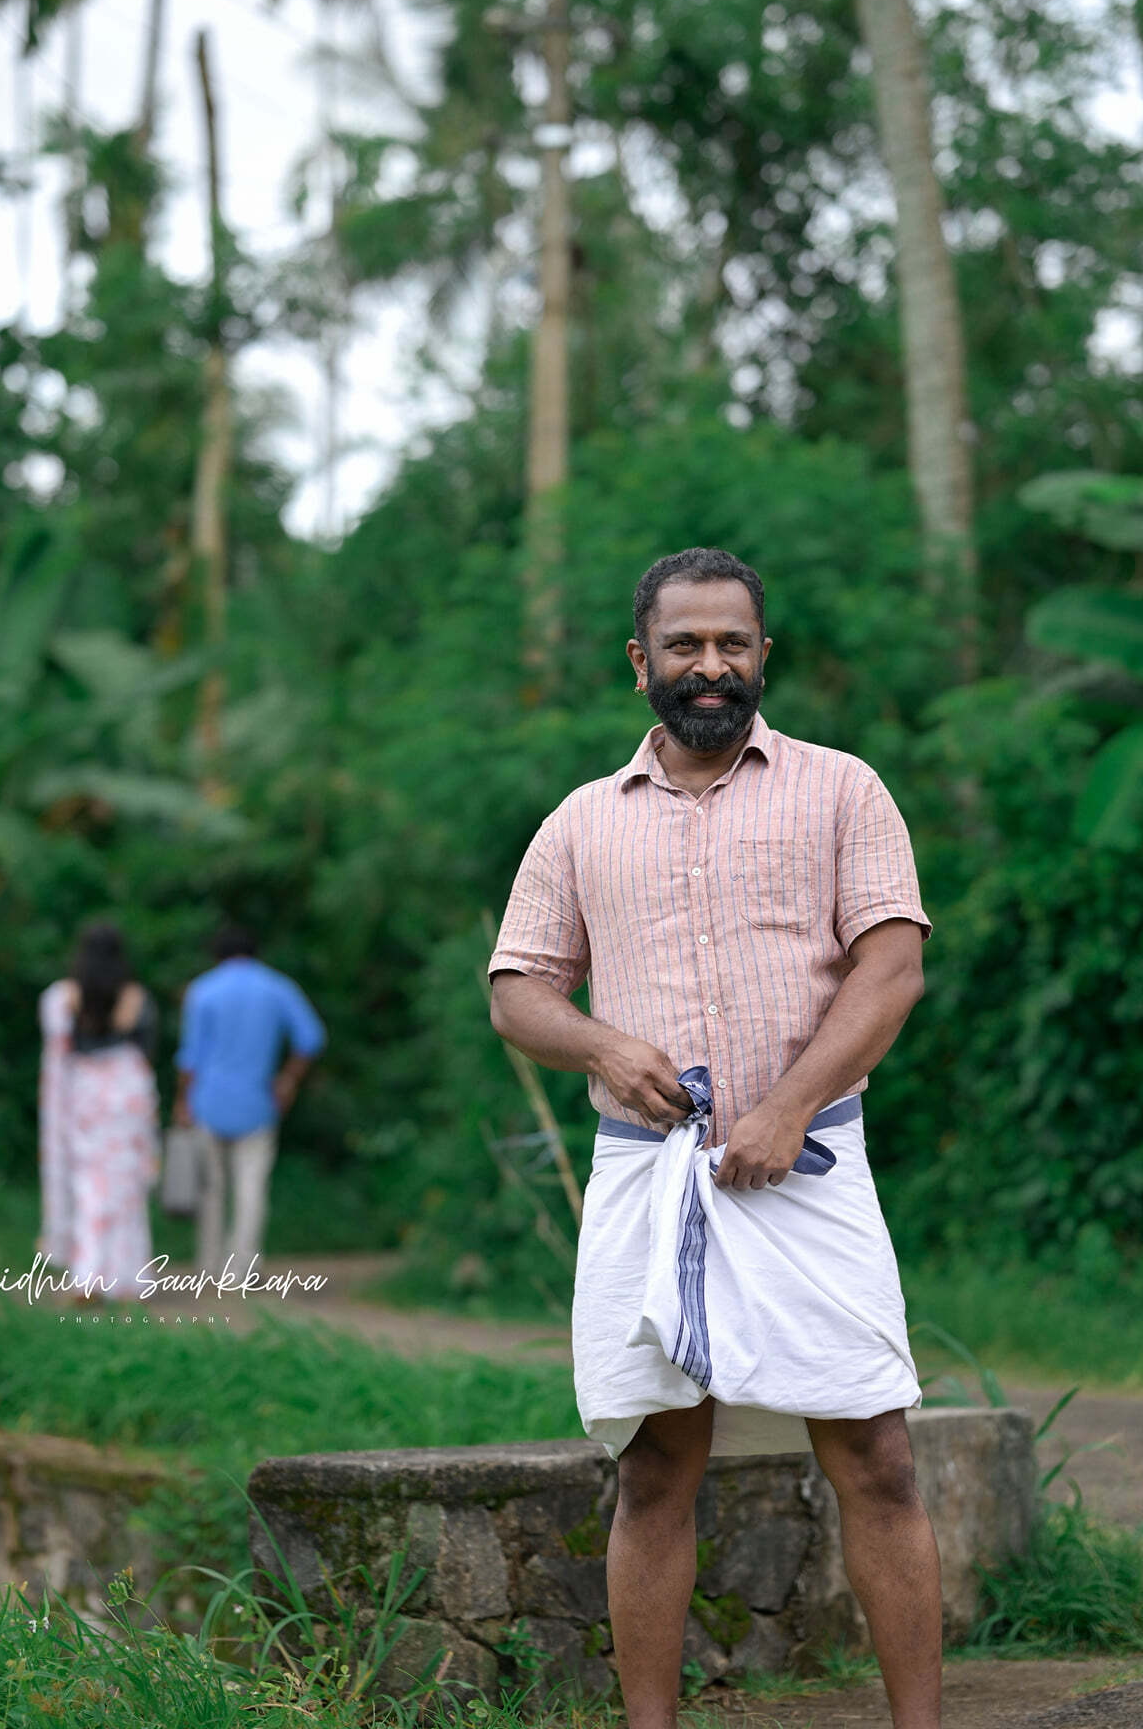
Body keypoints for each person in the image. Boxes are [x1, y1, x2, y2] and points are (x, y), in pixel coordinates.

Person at [488, 547, 941, 1729]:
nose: (709, 664)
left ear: (761, 656)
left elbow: (891, 967)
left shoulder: (842, 789)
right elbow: (517, 992)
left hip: (810, 1166)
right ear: (640, 662)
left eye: (731, 642)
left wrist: (788, 1103)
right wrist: (596, 1045)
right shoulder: (582, 822)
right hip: (649, 1176)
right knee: (653, 1467)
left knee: (878, 1457)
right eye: (683, 644)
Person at [174, 925, 325, 1277]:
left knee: (211, 1190)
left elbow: (189, 1057)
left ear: (217, 954)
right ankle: (241, 1268)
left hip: (207, 1102)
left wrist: (182, 1100)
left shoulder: (202, 990)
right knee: (251, 1189)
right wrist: (288, 1080)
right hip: (258, 1103)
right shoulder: (276, 987)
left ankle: (208, 1266)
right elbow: (312, 1038)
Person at [38, 922, 160, 1302]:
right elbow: (147, 1049)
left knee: (89, 1185)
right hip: (127, 1092)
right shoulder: (135, 997)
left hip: (86, 1094)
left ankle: (89, 1274)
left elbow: (61, 1051)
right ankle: (127, 1277)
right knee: (127, 1186)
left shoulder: (66, 996)